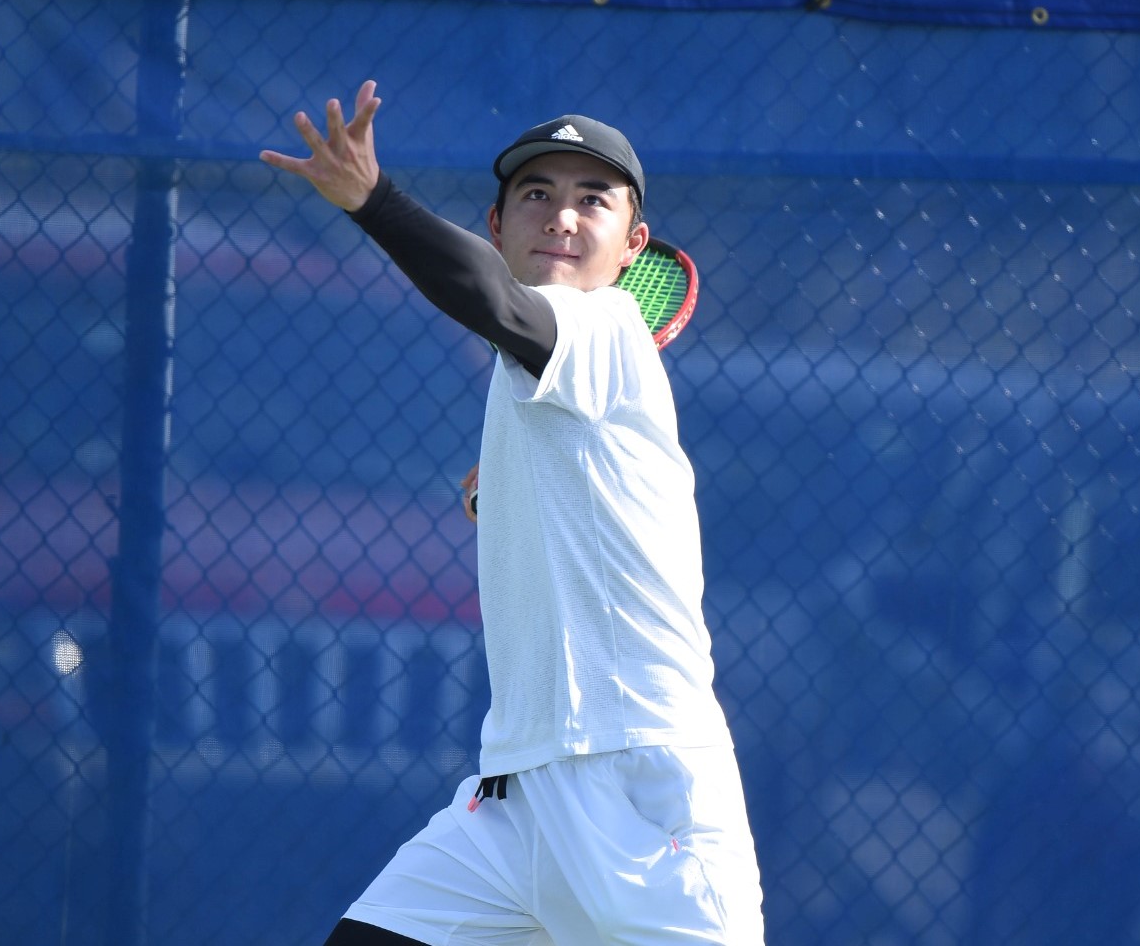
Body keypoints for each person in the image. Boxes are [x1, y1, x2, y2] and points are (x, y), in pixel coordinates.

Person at [261, 81, 765, 945]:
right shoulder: (535, 375)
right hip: (513, 803)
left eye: (591, 201)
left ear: (631, 246)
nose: (561, 217)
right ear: (499, 227)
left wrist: (372, 202)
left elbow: (488, 302)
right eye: (536, 194)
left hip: (643, 795)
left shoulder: (602, 327)